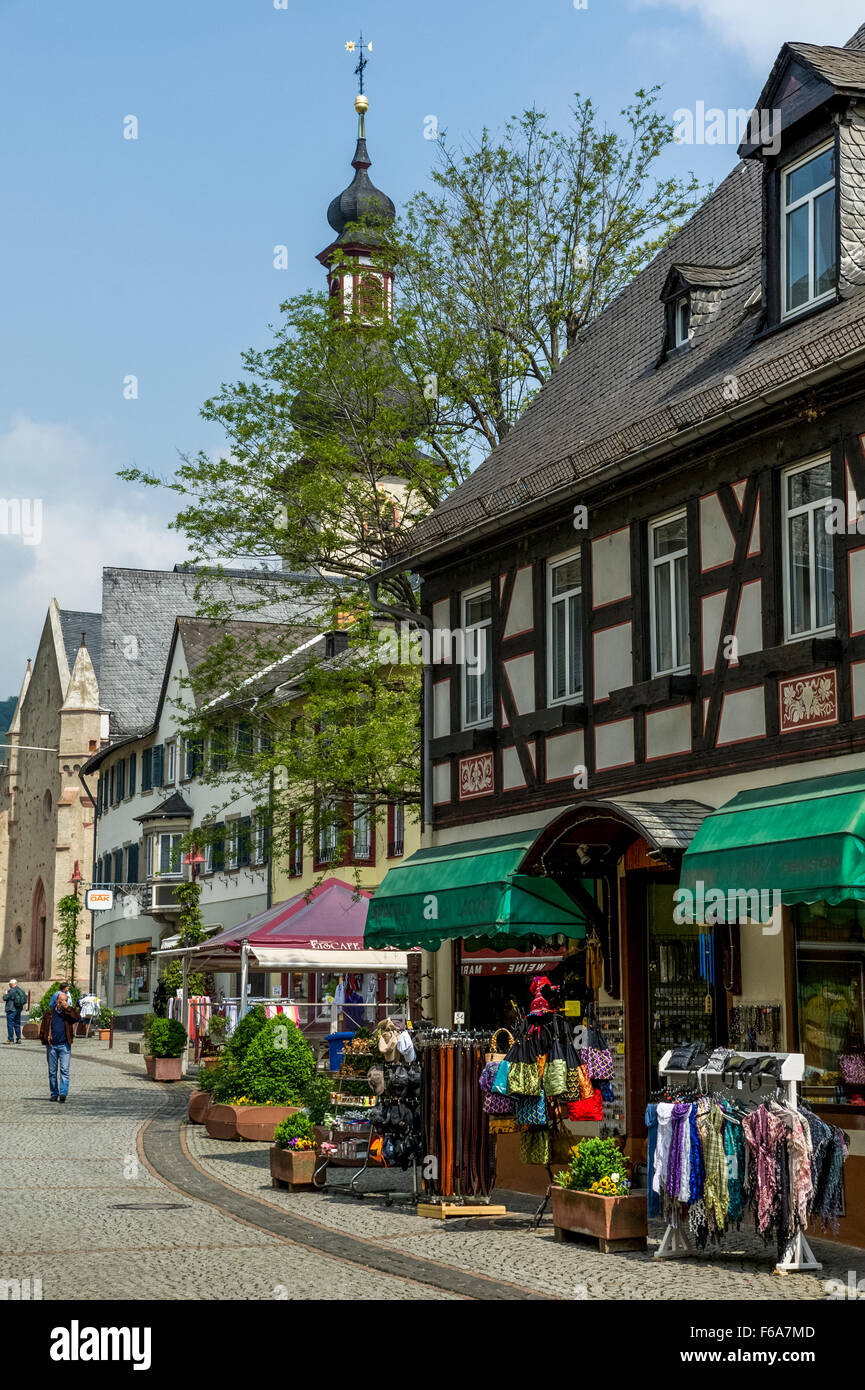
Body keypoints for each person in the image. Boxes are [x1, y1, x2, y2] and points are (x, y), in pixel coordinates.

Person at [39, 983, 81, 1104]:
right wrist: (45, 1040)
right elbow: (43, 1029)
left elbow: (77, 1018)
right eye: (60, 1000)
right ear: (56, 1000)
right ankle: (54, 1093)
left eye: (65, 1000)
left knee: (64, 1070)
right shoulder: (49, 1014)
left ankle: (63, 1093)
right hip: (52, 1046)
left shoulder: (68, 1013)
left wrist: (68, 1008)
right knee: (52, 1071)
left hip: (64, 1045)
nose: (62, 1002)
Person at [3, 979, 27, 1044]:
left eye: (9, 984)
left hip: (11, 1009)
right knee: (17, 1024)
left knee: (10, 1024)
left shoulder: (11, 991)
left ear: (11, 984)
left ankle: (11, 1039)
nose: (9, 985)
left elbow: (5, 998)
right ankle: (18, 1038)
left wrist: (5, 994)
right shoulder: (20, 990)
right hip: (18, 1009)